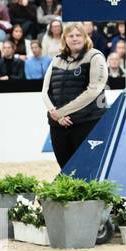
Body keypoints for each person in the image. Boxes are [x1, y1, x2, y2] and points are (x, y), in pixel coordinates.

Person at [41, 22, 108, 167]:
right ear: (64, 39)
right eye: (70, 35)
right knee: (66, 169)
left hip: (87, 122)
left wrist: (61, 112)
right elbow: (46, 91)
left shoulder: (95, 56)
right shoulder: (56, 59)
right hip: (59, 125)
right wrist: (57, 116)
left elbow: (93, 91)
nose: (74, 38)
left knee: (89, 167)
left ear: (85, 37)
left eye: (78, 35)